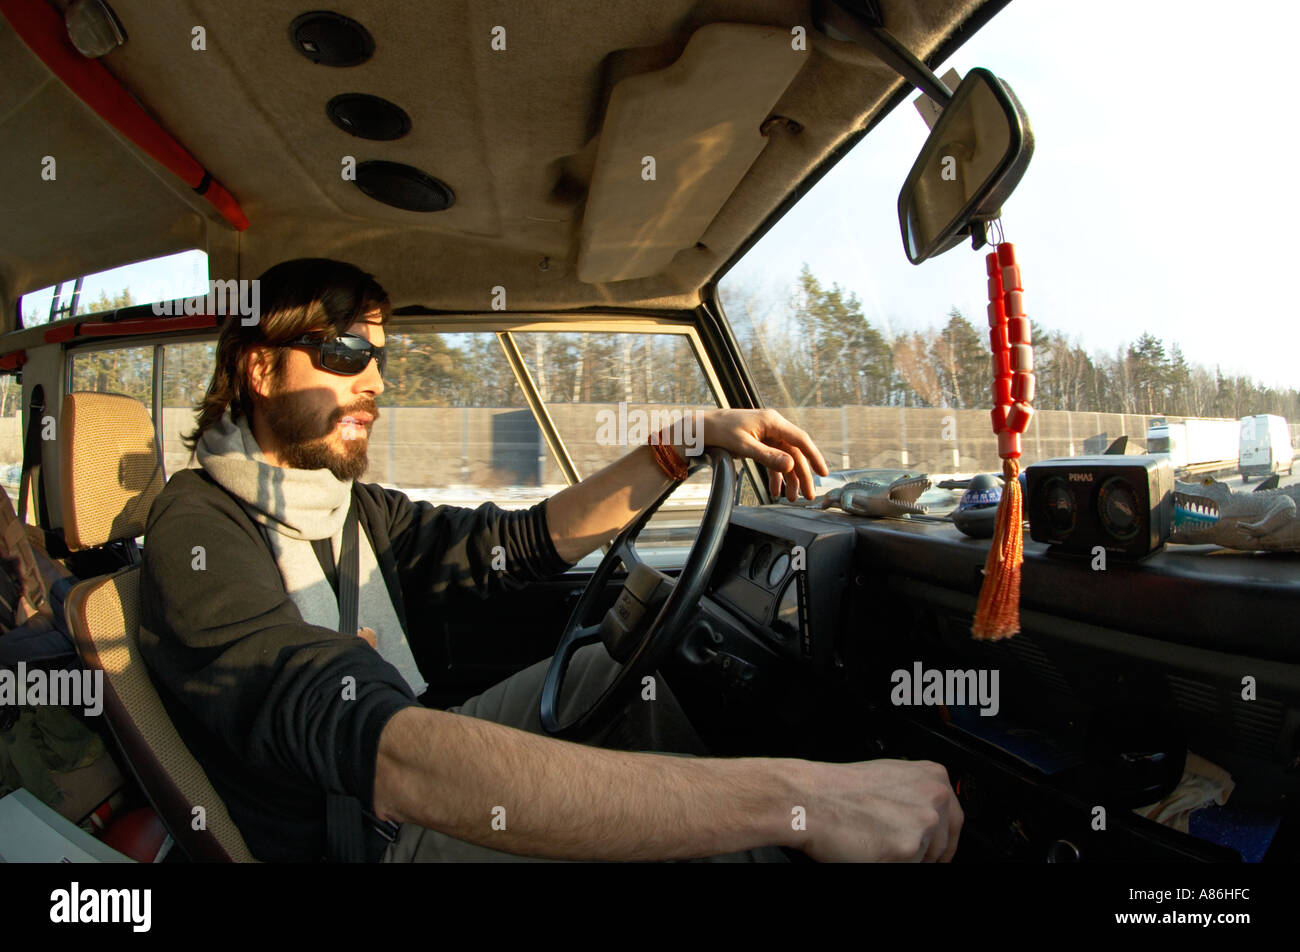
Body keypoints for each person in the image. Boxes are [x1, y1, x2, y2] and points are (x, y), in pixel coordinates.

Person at [138, 258, 962, 863]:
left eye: (379, 359)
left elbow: (519, 546)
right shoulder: (195, 525)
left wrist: (680, 442)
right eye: (346, 356)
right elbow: (375, 746)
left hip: (384, 775)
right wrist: (800, 800)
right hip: (357, 833)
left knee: (615, 669)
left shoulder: (350, 509)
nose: (375, 383)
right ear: (258, 367)